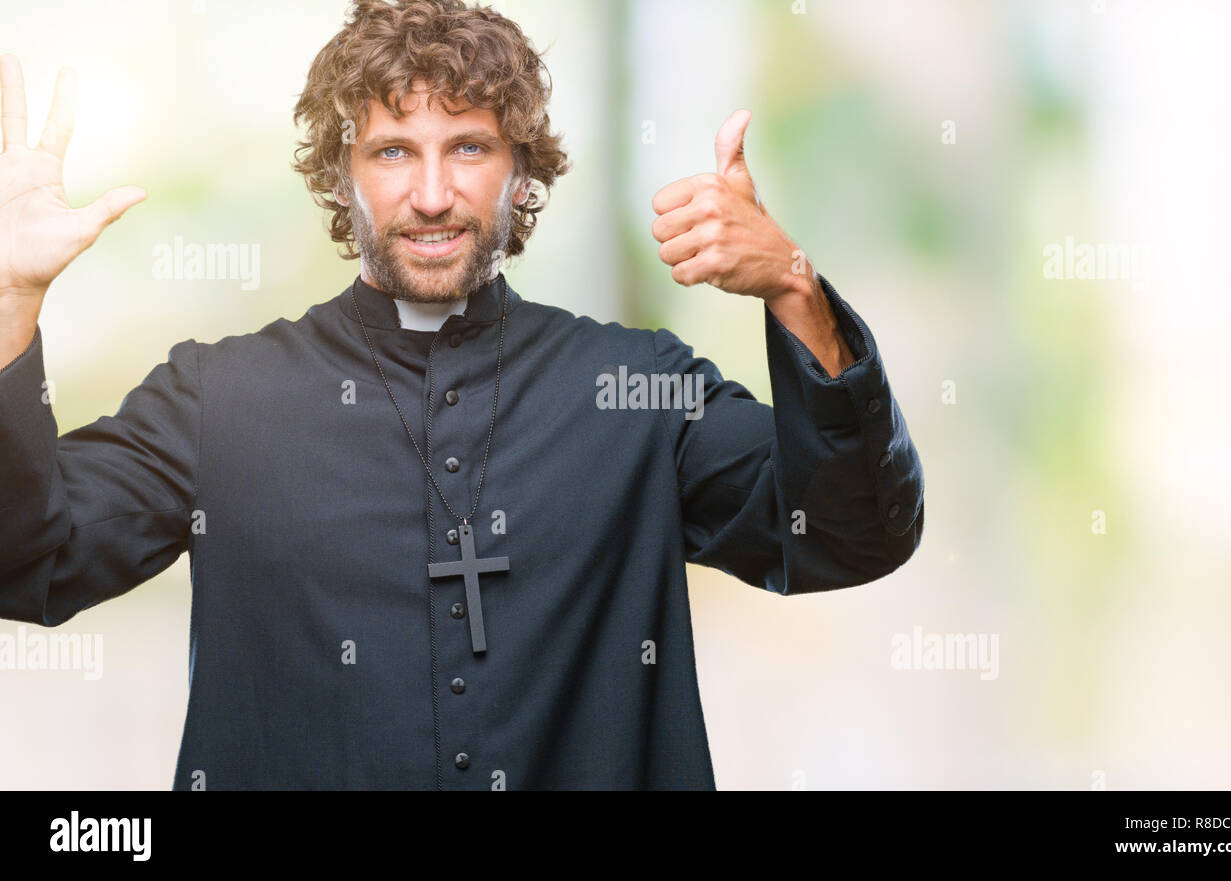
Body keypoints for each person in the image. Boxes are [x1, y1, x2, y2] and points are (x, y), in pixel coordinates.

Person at [0, 0, 923, 790]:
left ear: (521, 169)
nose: (433, 193)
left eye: (469, 146)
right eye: (394, 151)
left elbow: (851, 530)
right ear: (340, 175)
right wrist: (8, 307)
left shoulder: (636, 390)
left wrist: (793, 287)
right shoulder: (216, 399)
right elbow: (27, 560)